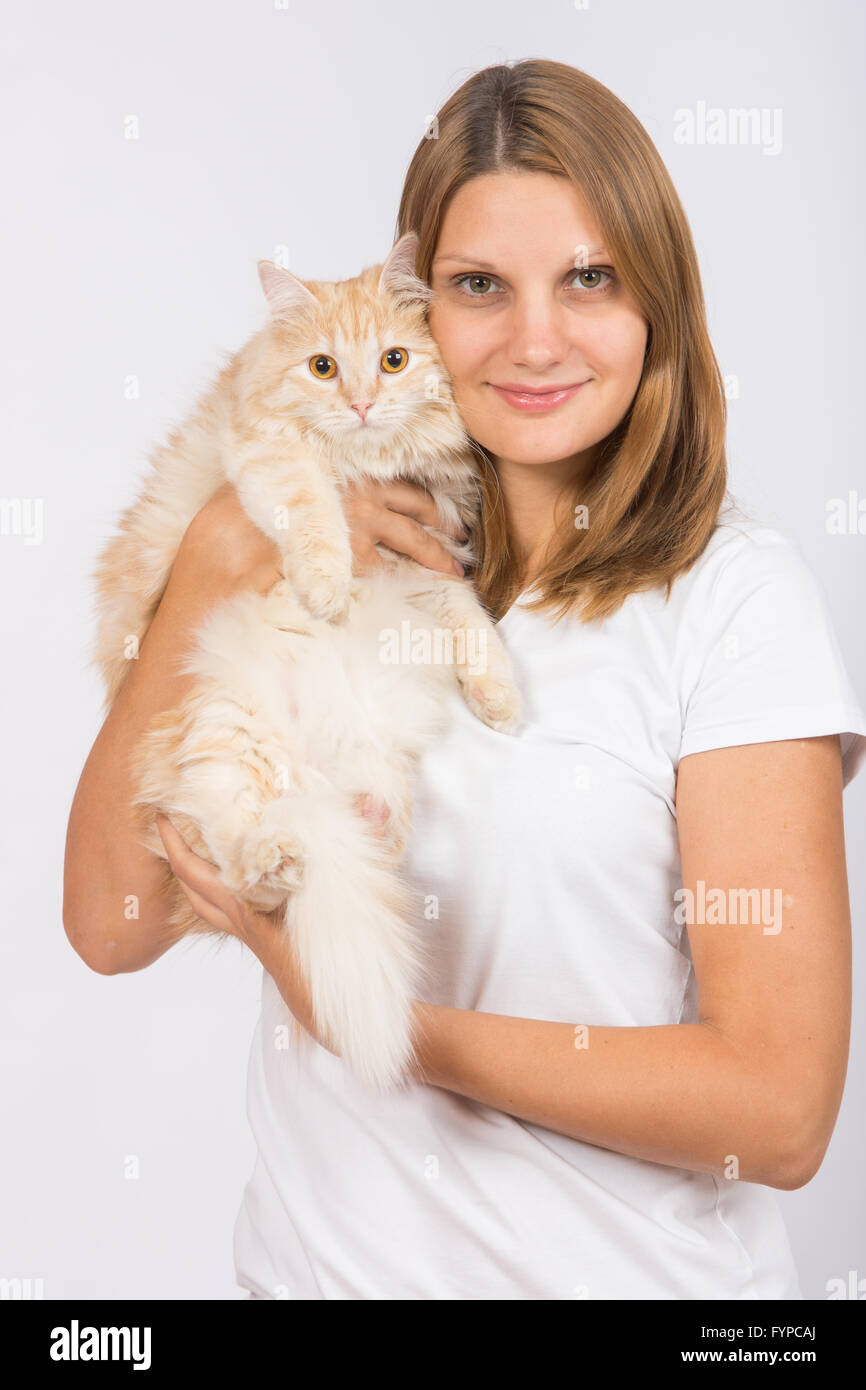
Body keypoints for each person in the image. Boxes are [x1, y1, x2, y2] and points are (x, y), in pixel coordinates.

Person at [64, 59, 866, 1300]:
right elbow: (111, 926)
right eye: (478, 286)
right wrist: (217, 553)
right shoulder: (319, 547)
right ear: (410, 303)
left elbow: (776, 1112)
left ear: (654, 297)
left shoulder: (732, 600)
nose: (533, 339)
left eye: (587, 279)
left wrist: (384, 1027)